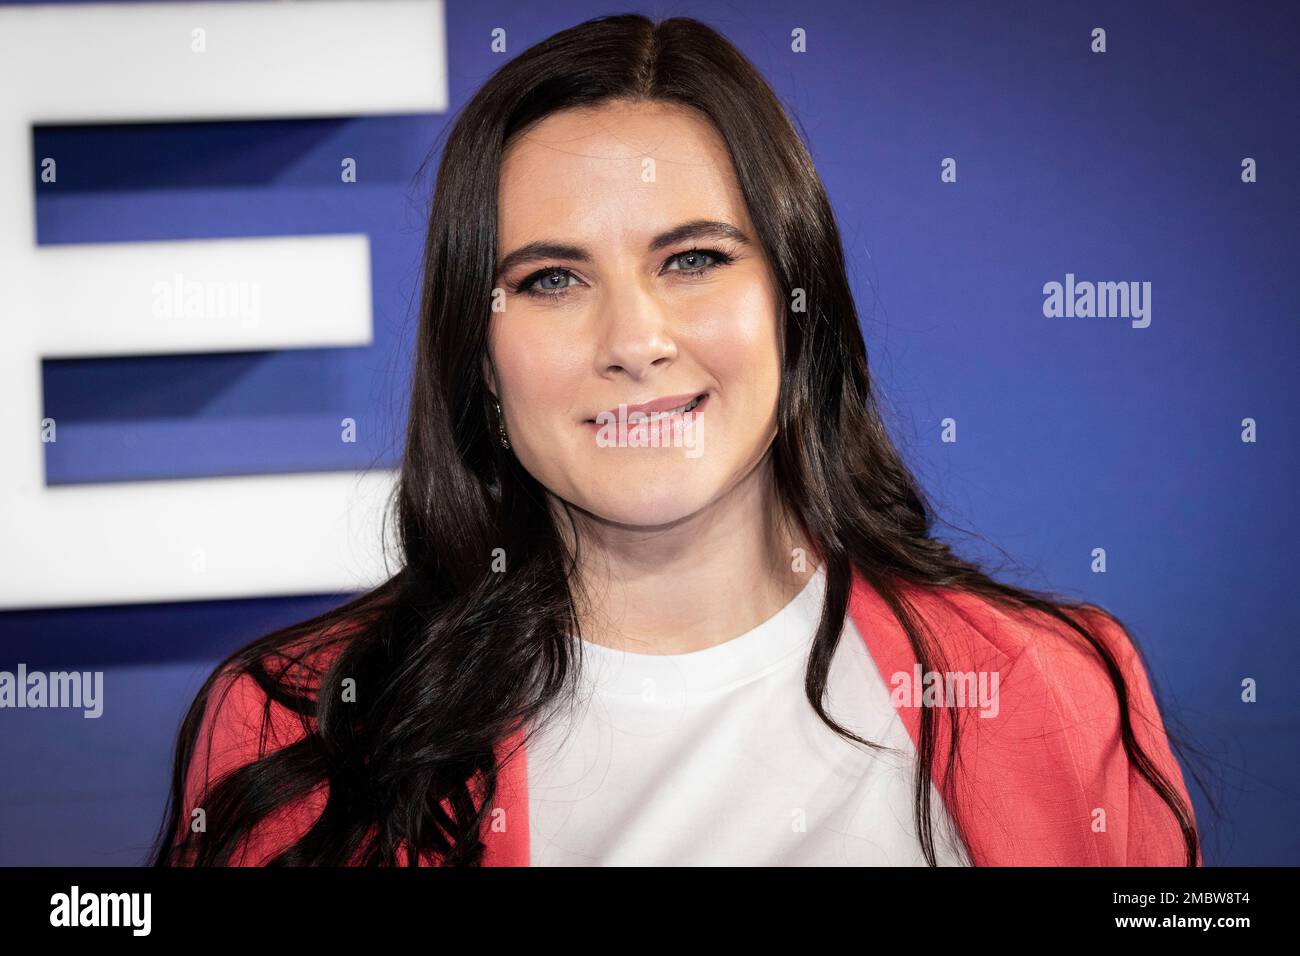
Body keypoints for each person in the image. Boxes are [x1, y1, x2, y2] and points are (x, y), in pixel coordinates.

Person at [151, 13, 1201, 867]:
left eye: (692, 259)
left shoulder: (1051, 687)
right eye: (551, 279)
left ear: (795, 303)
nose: (634, 340)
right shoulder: (298, 728)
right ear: (479, 354)